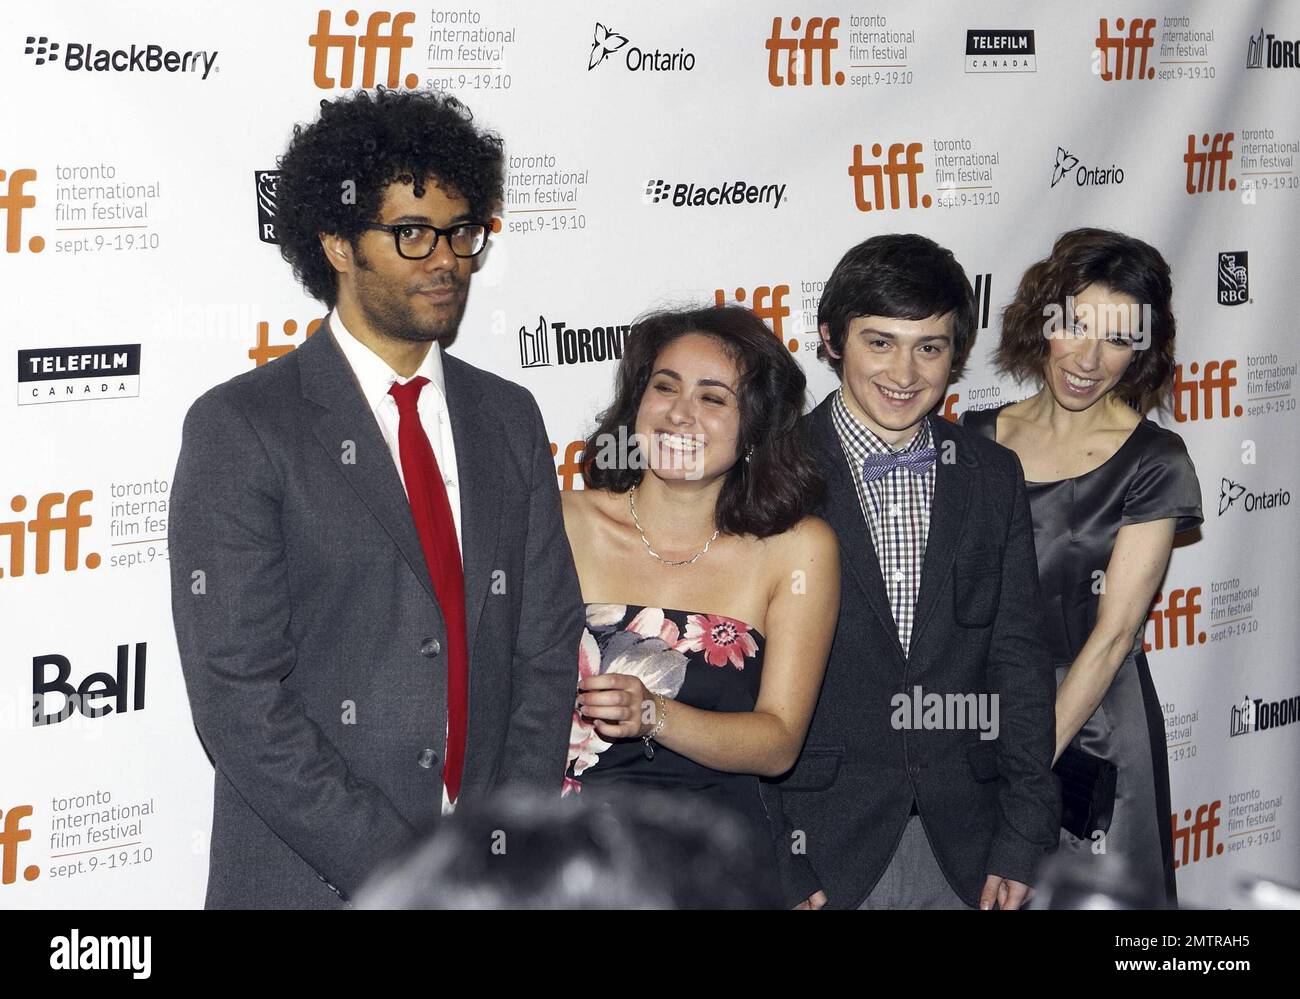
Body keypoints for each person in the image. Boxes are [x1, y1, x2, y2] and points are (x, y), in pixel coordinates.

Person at [168, 88, 584, 908]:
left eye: (463, 232)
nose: (447, 260)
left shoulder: (507, 416)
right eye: (411, 233)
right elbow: (239, 697)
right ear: (336, 241)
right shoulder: (242, 427)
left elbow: (543, 647)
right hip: (312, 880)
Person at [761, 234, 1061, 910]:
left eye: (930, 346)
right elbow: (737, 681)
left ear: (955, 355)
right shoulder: (769, 474)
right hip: (822, 847)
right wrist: (776, 856)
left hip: (969, 848)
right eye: (881, 342)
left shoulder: (991, 474)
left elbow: (1018, 661)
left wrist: (1022, 833)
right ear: (832, 338)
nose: (905, 371)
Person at [558, 306, 839, 898]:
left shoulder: (796, 550)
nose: (680, 413)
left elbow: (779, 742)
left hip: (720, 871)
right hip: (573, 867)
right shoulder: (563, 521)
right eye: (664, 387)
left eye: (714, 398)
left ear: (754, 429)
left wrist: (653, 715)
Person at [962, 227, 1202, 907]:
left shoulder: (1156, 460)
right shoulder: (975, 437)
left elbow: (1113, 637)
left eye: (1118, 338)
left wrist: (1024, 773)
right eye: (1076, 325)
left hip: (1094, 719)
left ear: (1143, 349)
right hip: (984, 708)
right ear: (1044, 319)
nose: (1090, 359)